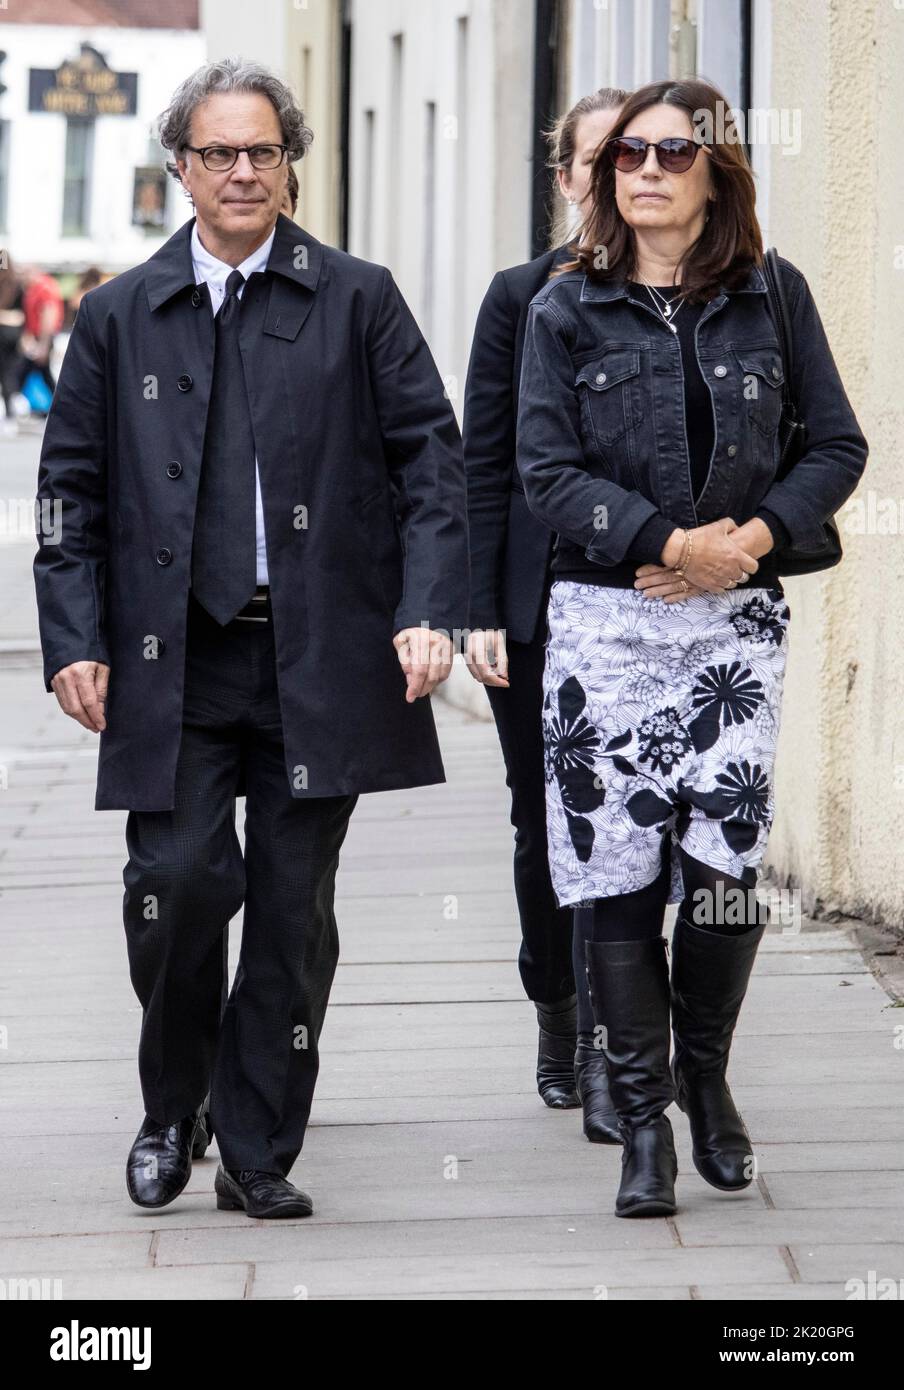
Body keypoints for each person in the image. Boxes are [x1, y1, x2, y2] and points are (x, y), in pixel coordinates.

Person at [33, 57, 468, 1220]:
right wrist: (73, 635)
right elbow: (67, 493)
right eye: (218, 152)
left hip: (317, 654)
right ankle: (173, 1106)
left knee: (289, 905)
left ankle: (260, 1139)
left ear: (290, 164)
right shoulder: (117, 315)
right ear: (180, 166)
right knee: (174, 885)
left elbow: (434, 463)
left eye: (262, 151)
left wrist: (427, 607)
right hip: (173, 659)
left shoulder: (358, 297)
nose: (241, 171)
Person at [516, 78, 868, 1217]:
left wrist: (749, 540)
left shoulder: (774, 296)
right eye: (626, 156)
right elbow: (543, 470)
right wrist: (667, 540)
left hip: (731, 631)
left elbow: (837, 445)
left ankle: (705, 1074)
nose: (648, 171)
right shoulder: (564, 309)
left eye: (674, 152)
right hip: (606, 627)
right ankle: (642, 1127)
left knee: (722, 881)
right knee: (615, 878)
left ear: (717, 169)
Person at [463, 89, 626, 1140]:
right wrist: (474, 605)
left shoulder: (706, 293)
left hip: (652, 603)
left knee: (635, 832)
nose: (616, 175)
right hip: (535, 605)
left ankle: (623, 1043)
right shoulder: (518, 297)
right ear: (564, 176)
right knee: (549, 826)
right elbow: (480, 462)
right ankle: (555, 1005)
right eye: (595, 159)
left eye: (639, 154)